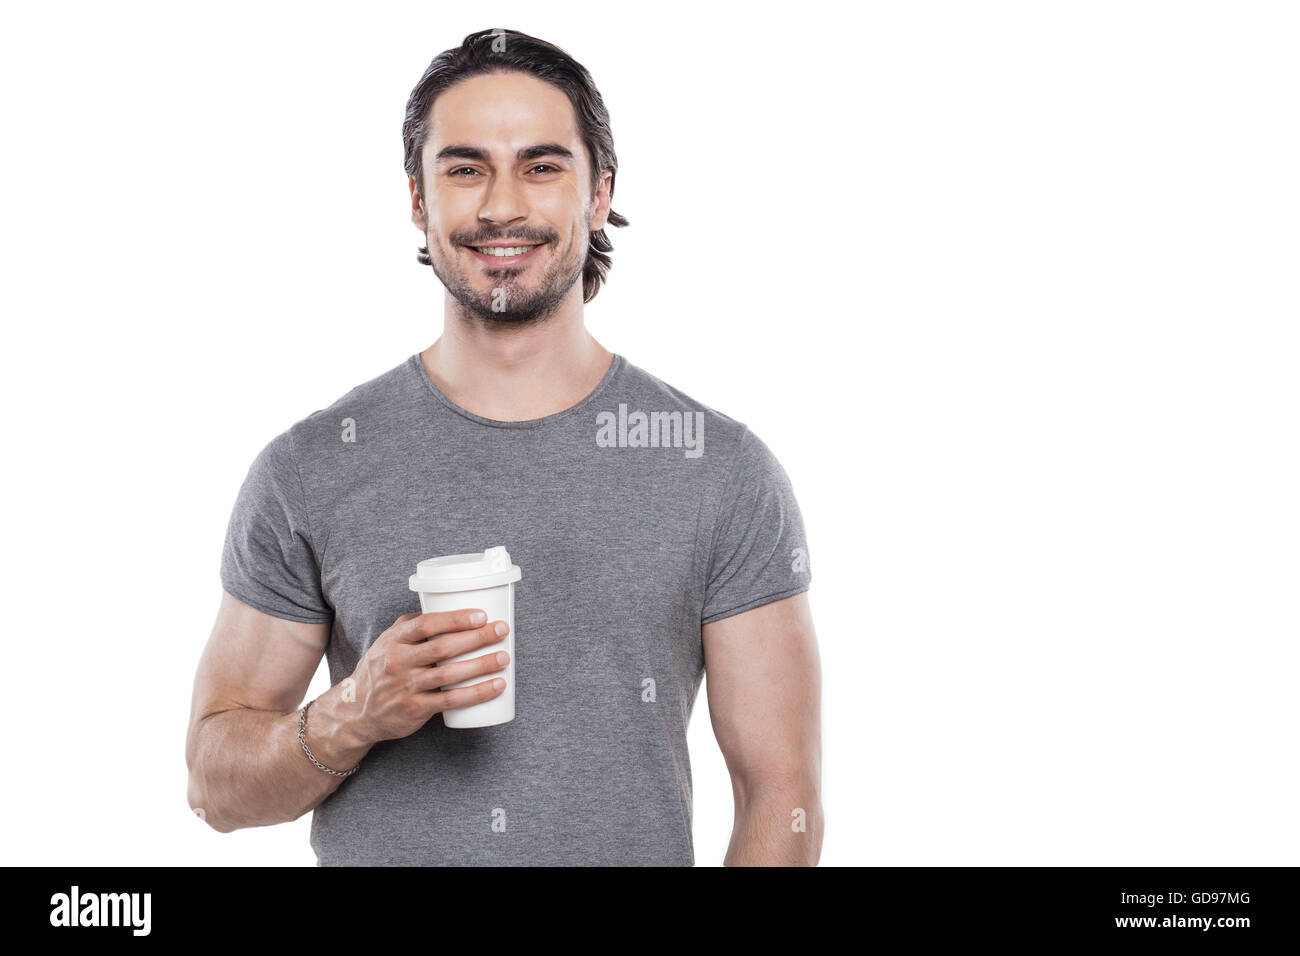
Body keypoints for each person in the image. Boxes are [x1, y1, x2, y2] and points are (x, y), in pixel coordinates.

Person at [186, 27, 822, 866]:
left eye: (542, 165)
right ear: (418, 198)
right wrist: (355, 712)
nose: (500, 206)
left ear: (598, 195)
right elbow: (214, 786)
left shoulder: (719, 470)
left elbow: (782, 794)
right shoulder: (311, 469)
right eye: (465, 168)